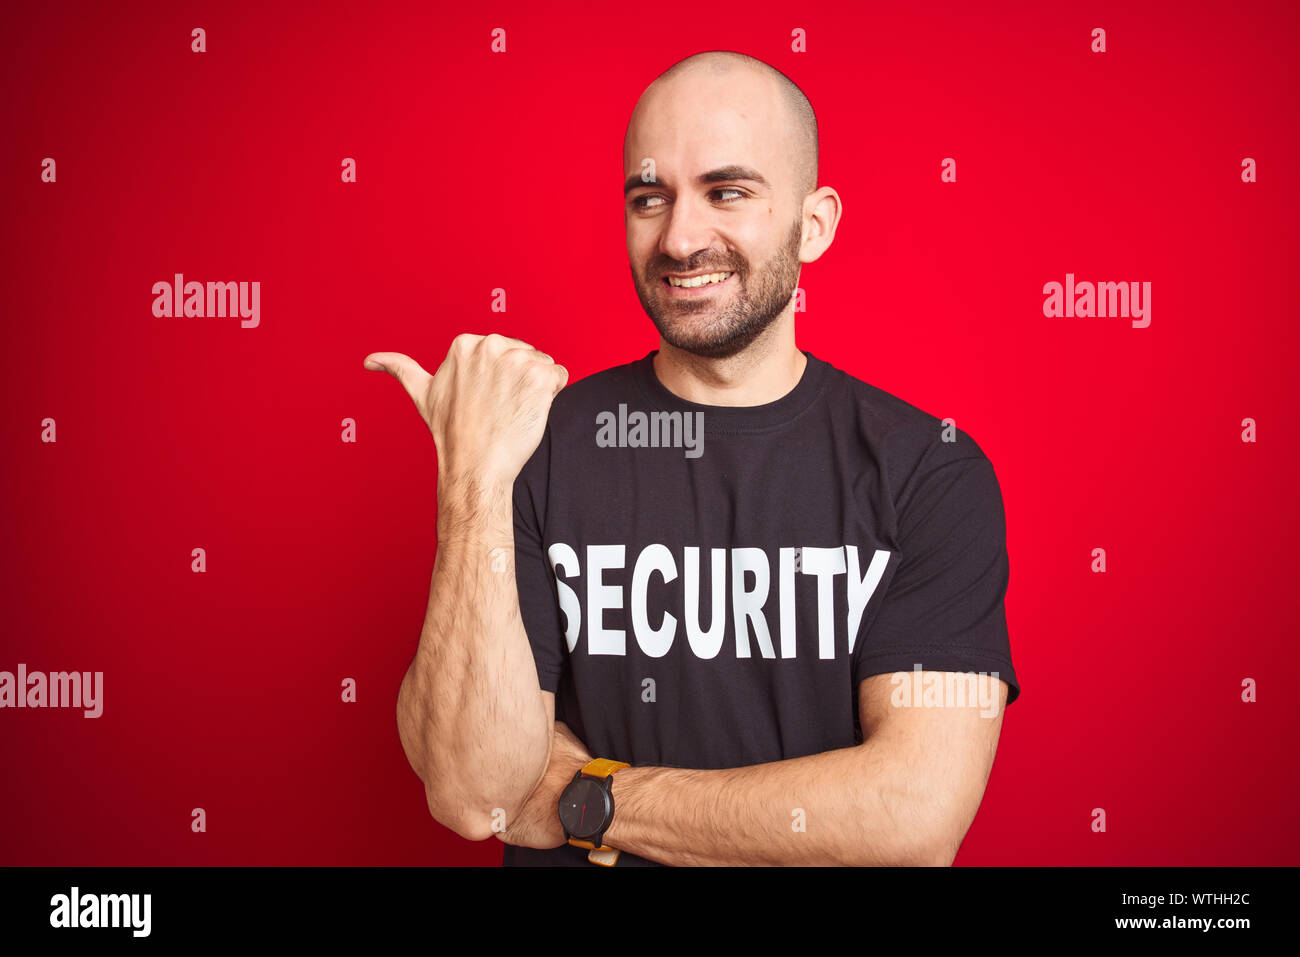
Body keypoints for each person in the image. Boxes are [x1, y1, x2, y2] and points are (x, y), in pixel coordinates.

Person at [368, 50, 1021, 867]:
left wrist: (589, 797)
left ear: (813, 225)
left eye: (728, 192)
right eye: (650, 198)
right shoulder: (531, 447)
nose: (679, 237)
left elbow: (913, 815)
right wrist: (472, 477)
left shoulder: (931, 474)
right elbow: (475, 793)